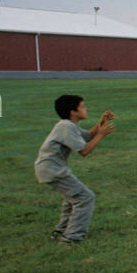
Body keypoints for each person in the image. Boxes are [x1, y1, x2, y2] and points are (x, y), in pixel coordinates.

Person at [35, 95, 114, 243]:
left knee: (71, 198)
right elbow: (84, 151)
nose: (86, 109)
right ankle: (72, 237)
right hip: (53, 169)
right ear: (73, 111)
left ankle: (61, 230)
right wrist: (102, 135)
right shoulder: (66, 126)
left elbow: (88, 136)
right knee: (85, 198)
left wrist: (102, 122)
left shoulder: (68, 125)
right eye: (83, 107)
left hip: (49, 168)